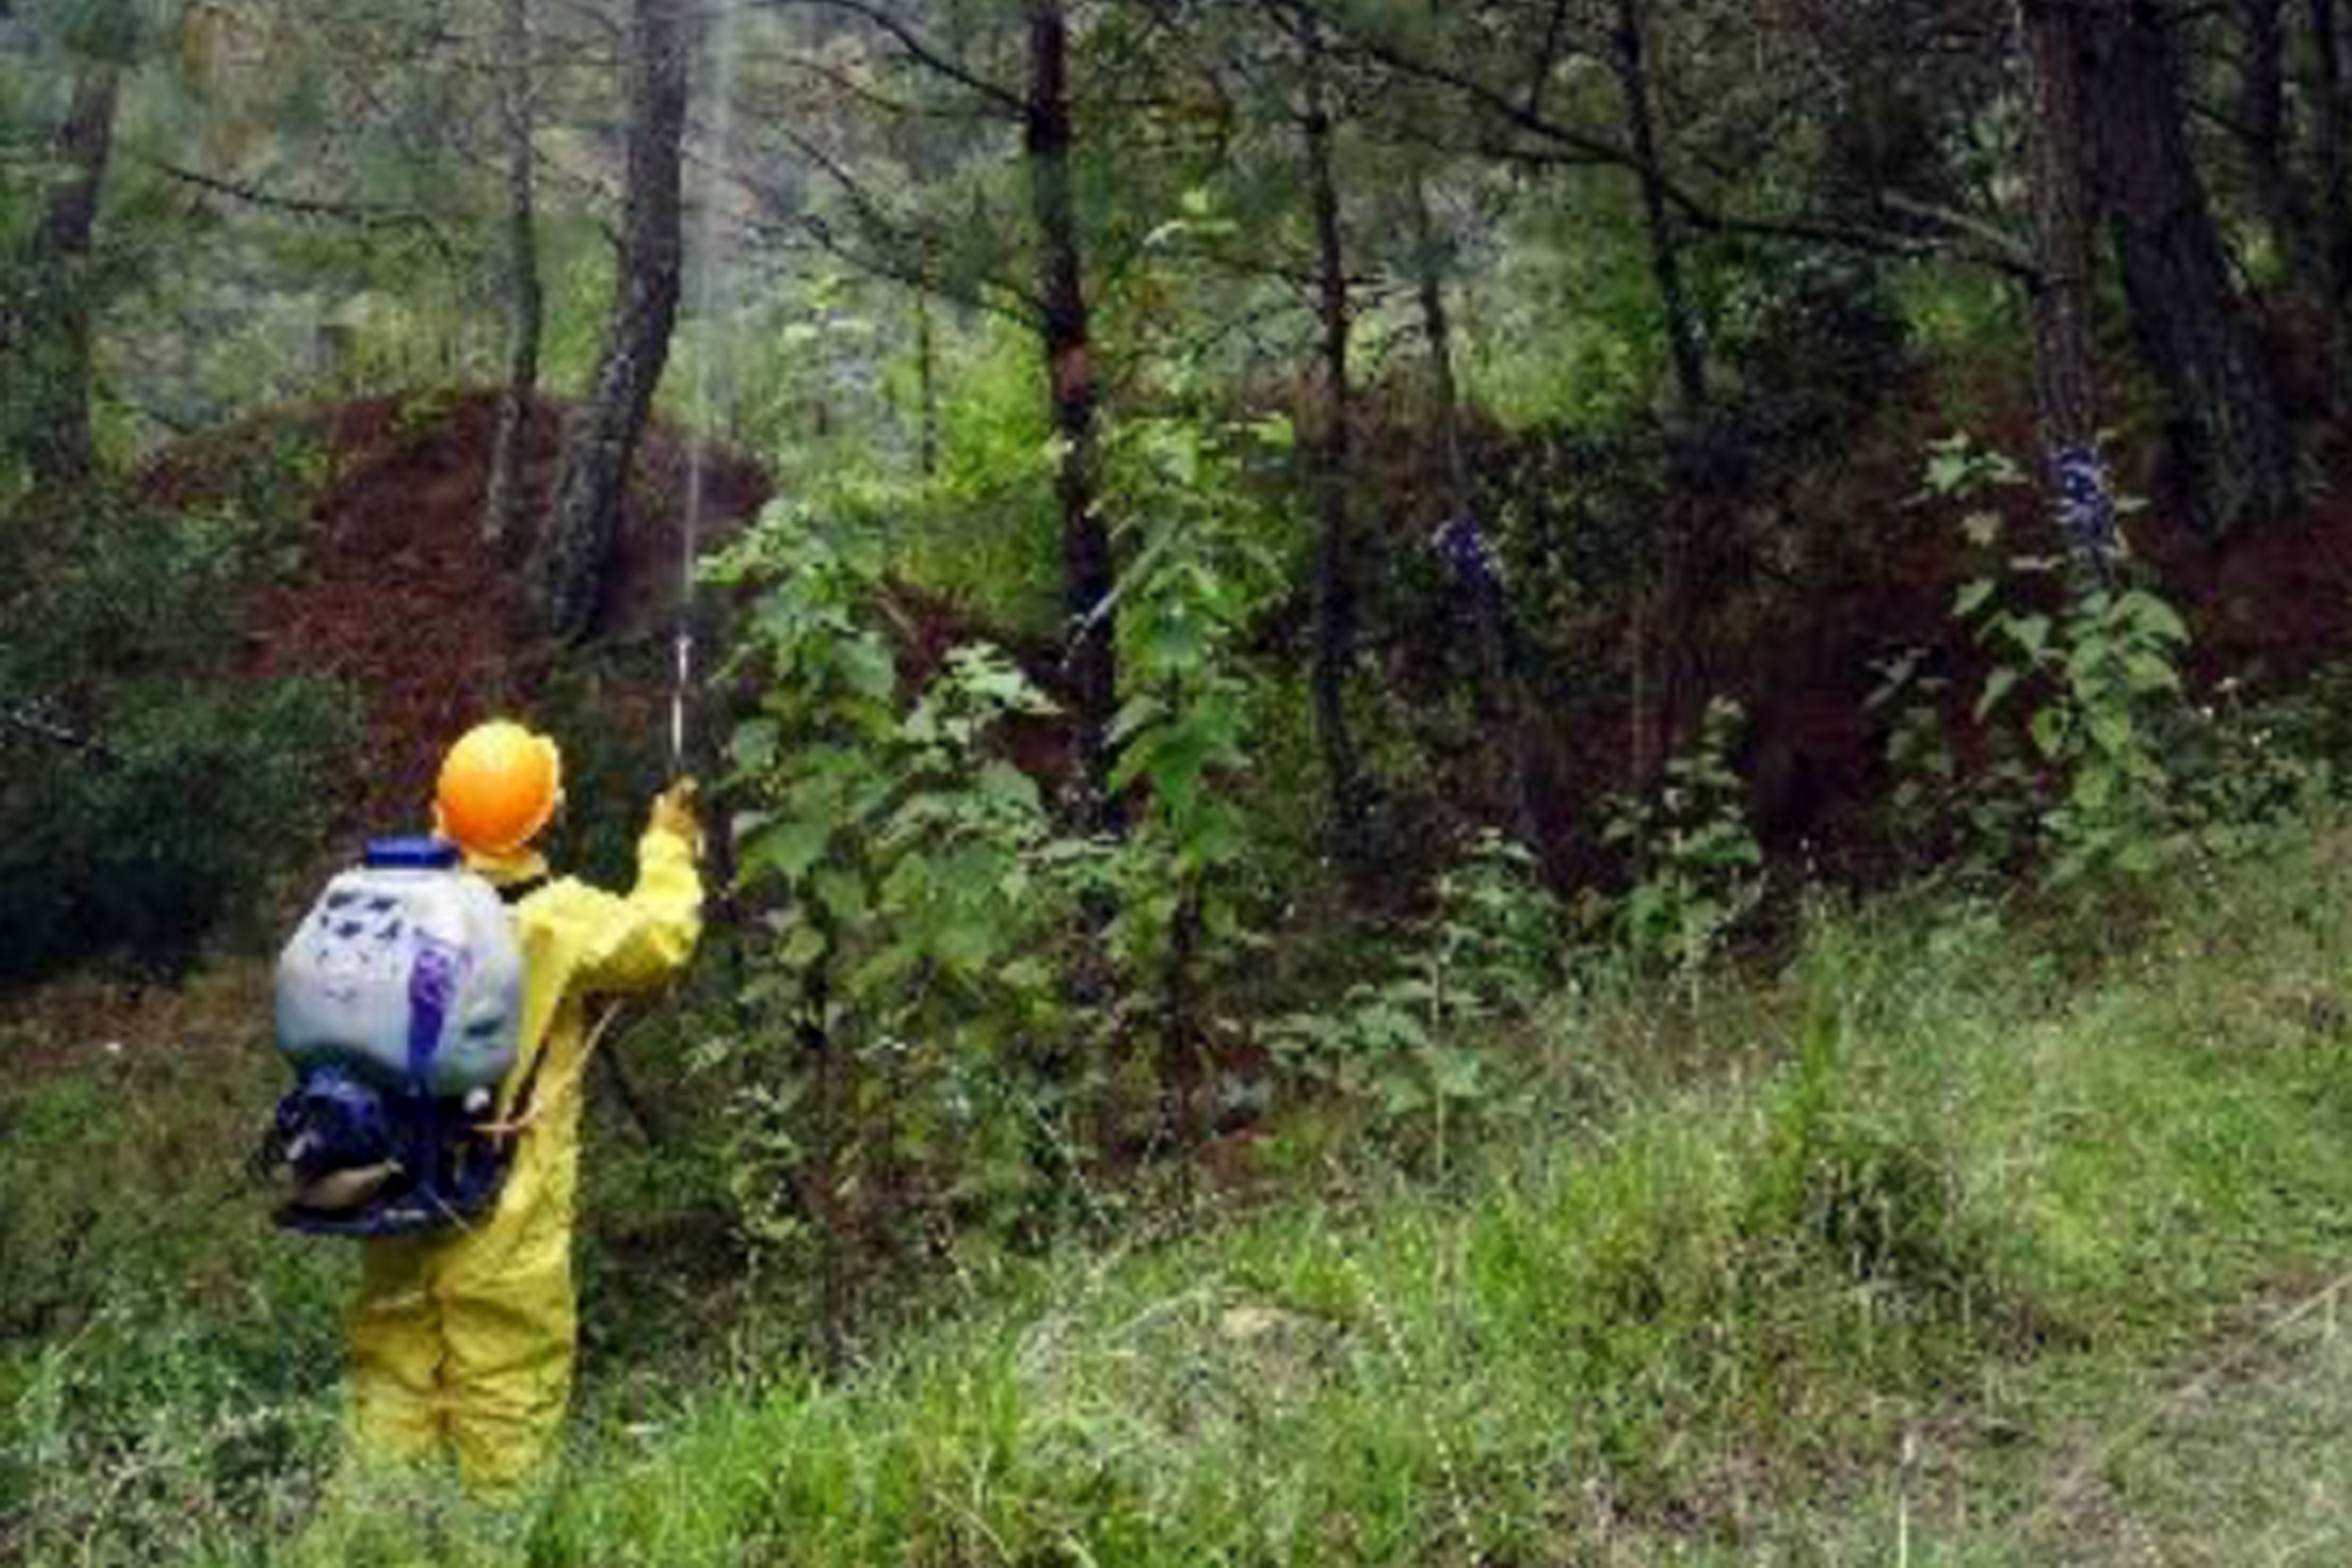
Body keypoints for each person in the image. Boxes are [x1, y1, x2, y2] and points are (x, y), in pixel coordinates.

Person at [342, 719, 703, 1497]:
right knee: (507, 1372)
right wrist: (668, 846)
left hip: (395, 1178)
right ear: (550, 814)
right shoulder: (561, 917)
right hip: (505, 1198)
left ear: (439, 814)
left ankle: (377, 1534)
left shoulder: (393, 900)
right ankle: (495, 1535)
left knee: (394, 1356)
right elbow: (663, 940)